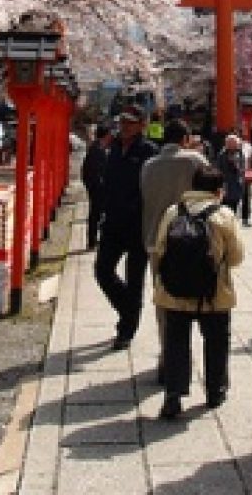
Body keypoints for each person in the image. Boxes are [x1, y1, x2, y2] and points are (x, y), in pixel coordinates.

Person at [153, 165, 245, 419]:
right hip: (213, 292)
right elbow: (236, 256)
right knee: (216, 340)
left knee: (176, 342)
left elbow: (159, 249)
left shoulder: (174, 212)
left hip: (174, 292)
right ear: (218, 190)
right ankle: (215, 389)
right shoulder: (223, 215)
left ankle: (174, 393)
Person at [140, 118, 209, 379]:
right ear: (185, 139)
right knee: (193, 297)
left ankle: (167, 354)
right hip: (191, 239)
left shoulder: (148, 166)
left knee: (163, 299)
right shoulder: (195, 162)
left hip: (155, 239)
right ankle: (185, 355)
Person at [94, 105, 158, 349]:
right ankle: (129, 309)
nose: (124, 126)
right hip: (112, 223)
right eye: (122, 122)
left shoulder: (149, 152)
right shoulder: (113, 150)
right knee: (102, 271)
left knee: (135, 279)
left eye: (130, 122)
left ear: (142, 125)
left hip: (138, 225)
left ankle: (126, 329)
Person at [81, 123, 111, 250]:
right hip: (96, 186)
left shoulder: (97, 148)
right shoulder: (97, 150)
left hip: (94, 185)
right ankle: (92, 240)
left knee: (96, 212)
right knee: (96, 212)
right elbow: (97, 170)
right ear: (105, 136)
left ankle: (94, 239)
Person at [215, 134, 246, 214]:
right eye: (230, 143)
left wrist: (236, 165)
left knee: (234, 207)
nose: (232, 145)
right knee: (224, 208)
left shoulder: (240, 154)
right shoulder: (222, 154)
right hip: (225, 185)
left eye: (234, 143)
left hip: (236, 185)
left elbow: (242, 169)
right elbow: (218, 169)